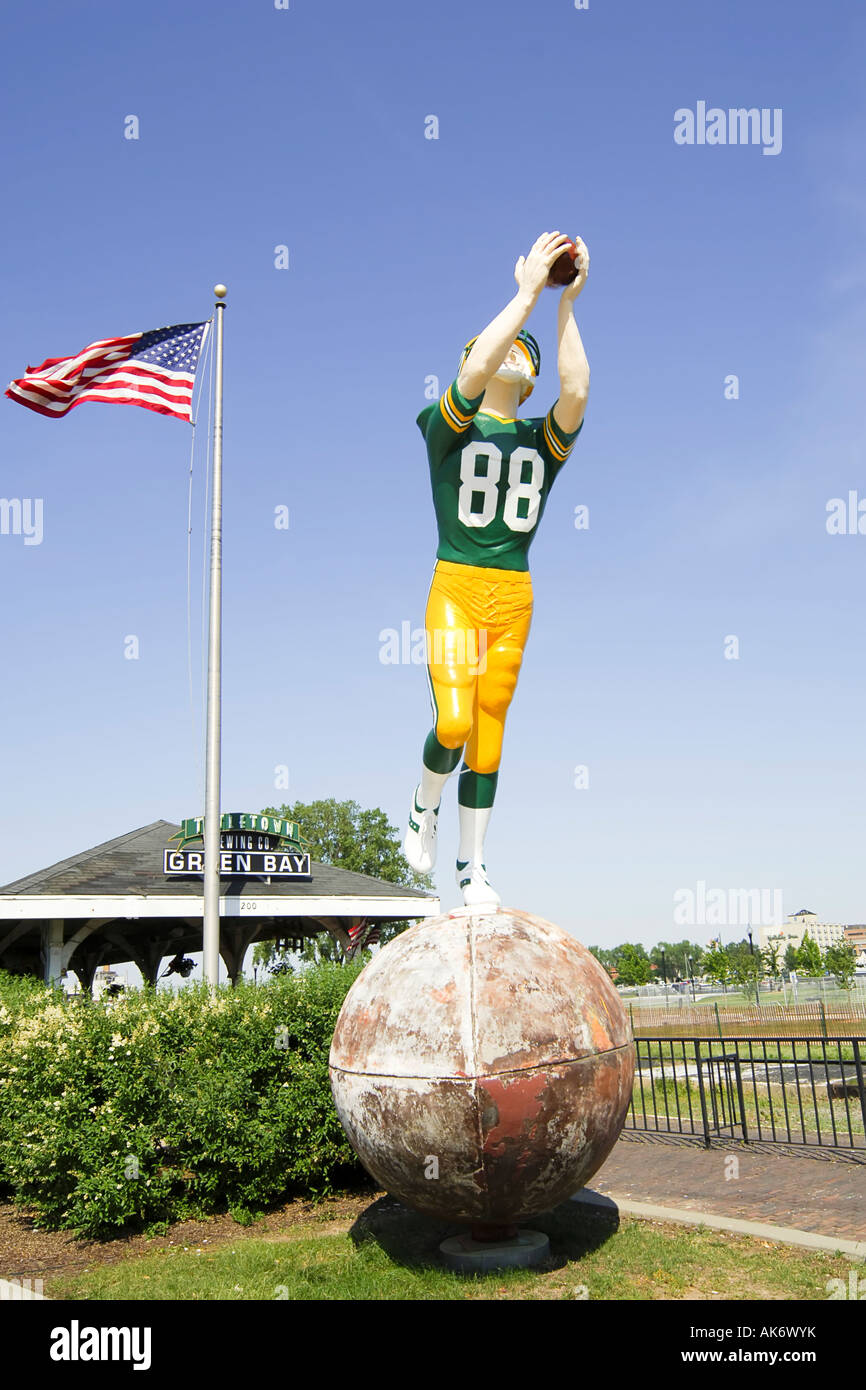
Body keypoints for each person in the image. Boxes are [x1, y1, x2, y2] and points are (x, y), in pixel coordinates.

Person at [403, 231, 591, 906]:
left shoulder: (541, 439)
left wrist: (566, 303)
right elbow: (478, 368)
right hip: (456, 585)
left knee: (489, 728)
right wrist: (524, 295)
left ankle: (472, 863)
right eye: (494, 347)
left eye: (522, 346)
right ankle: (424, 804)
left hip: (514, 594)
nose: (508, 351)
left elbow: (578, 387)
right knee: (452, 724)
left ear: (531, 372)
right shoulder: (446, 425)